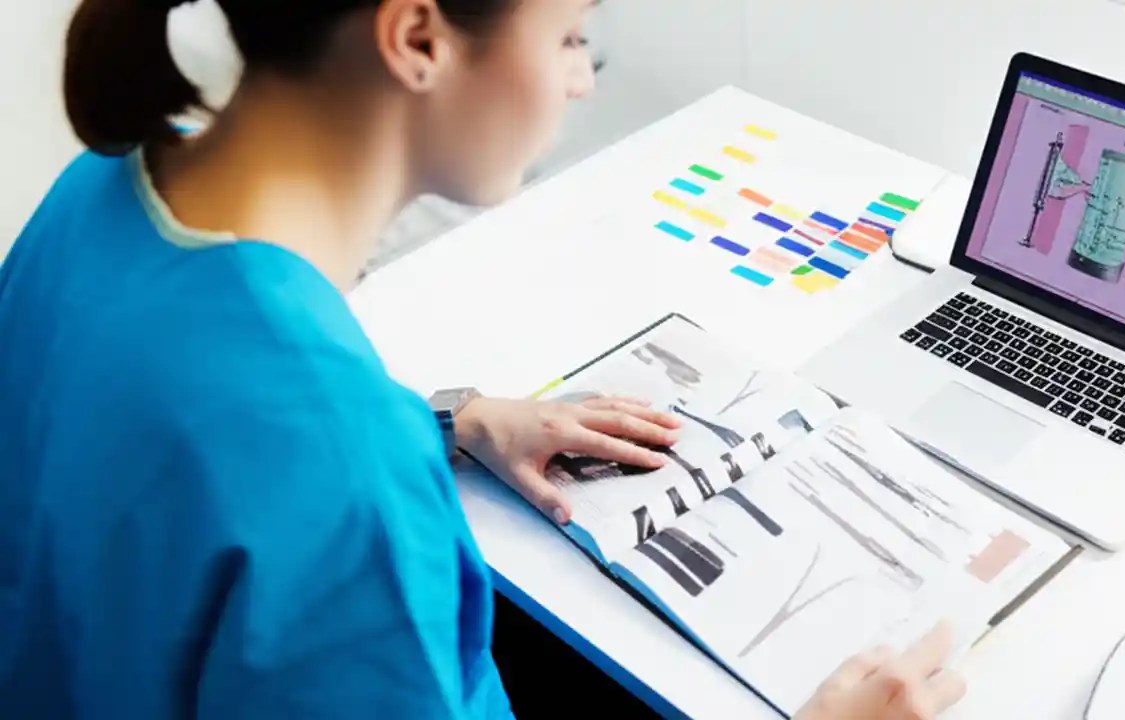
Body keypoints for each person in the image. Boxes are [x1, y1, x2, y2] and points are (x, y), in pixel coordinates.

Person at [0, 0, 966, 717]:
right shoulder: (346, 473)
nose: (581, 79)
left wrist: (449, 420)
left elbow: (185, 437)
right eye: (570, 36)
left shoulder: (100, 192)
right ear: (418, 38)